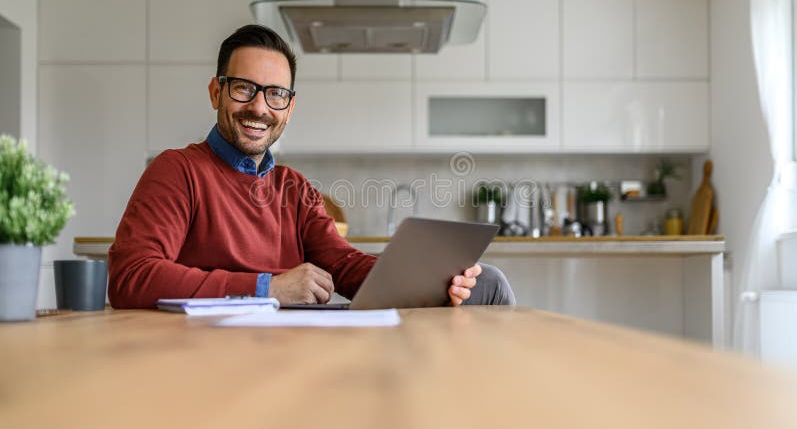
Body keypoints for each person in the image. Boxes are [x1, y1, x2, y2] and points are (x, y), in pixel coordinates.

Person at [108, 25, 515, 308]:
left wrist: (433, 278)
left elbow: (344, 265)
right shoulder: (177, 171)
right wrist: (267, 287)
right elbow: (131, 277)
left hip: (290, 353)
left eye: (276, 94)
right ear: (217, 91)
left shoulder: (294, 188)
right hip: (210, 358)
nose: (259, 107)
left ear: (290, 106)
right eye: (244, 88)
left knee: (489, 282)